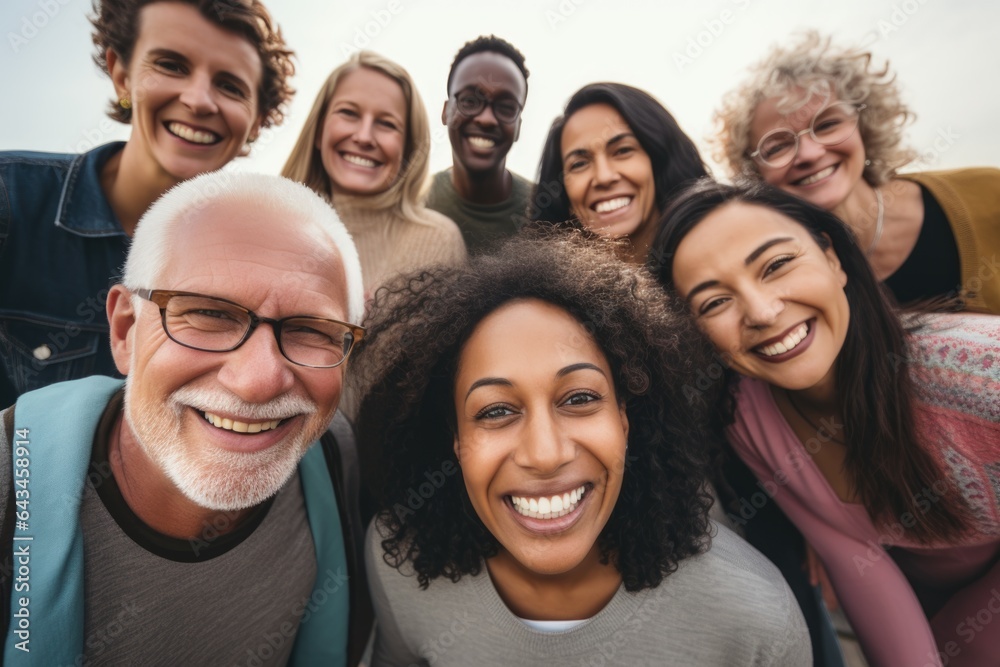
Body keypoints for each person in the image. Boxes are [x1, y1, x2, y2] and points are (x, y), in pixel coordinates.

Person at [353, 233, 811, 666]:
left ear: (626, 419)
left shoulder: (753, 617)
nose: (546, 454)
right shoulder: (402, 567)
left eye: (579, 399)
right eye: (495, 411)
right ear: (454, 439)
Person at [0, 172, 371, 665]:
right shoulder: (9, 485)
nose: (257, 380)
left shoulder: (335, 455)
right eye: (210, 314)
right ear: (125, 330)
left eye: (310, 329)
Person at [655, 179, 1000, 667]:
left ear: (833, 258)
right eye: (713, 302)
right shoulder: (746, 417)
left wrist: (963, 637)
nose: (762, 311)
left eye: (776, 265)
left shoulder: (983, 372)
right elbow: (857, 564)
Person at [0, 0, 295, 408]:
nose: (199, 100)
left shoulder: (264, 262)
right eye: (172, 65)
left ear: (257, 121)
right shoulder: (10, 198)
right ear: (122, 76)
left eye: (230, 86)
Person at [713, 30, 1000, 312]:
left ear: (864, 124)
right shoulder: (774, 277)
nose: (810, 154)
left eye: (827, 125)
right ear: (754, 173)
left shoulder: (989, 192)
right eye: (776, 147)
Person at [282, 50, 464, 299]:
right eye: (349, 113)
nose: (364, 137)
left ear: (408, 149)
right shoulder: (275, 224)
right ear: (318, 131)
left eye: (387, 123)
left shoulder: (438, 241)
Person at [533, 82, 707, 265]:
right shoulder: (538, 288)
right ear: (563, 194)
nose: (604, 177)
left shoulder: (718, 254)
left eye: (622, 151)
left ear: (658, 161)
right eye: (579, 164)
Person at [425, 35, 534, 254]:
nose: (486, 119)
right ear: (446, 111)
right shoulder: (412, 205)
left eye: (506, 106)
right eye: (469, 101)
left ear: (519, 126)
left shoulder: (547, 212)